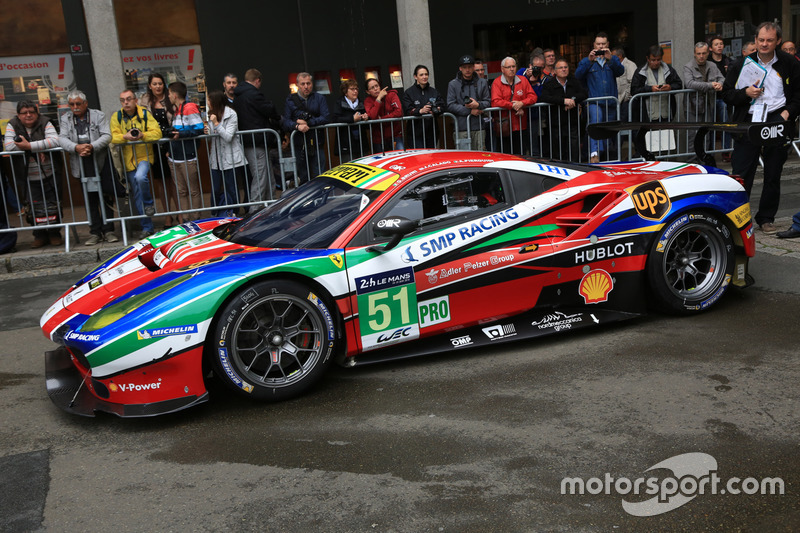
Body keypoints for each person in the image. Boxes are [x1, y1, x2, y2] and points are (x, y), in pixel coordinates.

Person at [722, 21, 800, 235]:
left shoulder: (789, 62)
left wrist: (787, 113)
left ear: (778, 41)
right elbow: (726, 94)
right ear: (755, 41)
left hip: (777, 117)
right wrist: (745, 93)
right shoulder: (741, 64)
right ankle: (739, 220)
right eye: (761, 40)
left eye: (769, 40)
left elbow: (798, 94)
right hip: (748, 120)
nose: (765, 44)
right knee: (741, 173)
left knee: (773, 172)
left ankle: (766, 218)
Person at [58, 90, 118, 245]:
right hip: (80, 162)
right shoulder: (66, 118)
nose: (75, 107)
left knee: (104, 195)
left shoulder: (98, 115)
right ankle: (95, 232)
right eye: (72, 104)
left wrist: (91, 146)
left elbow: (106, 135)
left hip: (99, 160)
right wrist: (76, 147)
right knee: (89, 198)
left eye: (78, 103)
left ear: (85, 103)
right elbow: (62, 138)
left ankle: (109, 230)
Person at [3, 101, 63, 247]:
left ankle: (55, 233)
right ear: (18, 115)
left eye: (31, 112)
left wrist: (29, 146)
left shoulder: (45, 121)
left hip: (50, 173)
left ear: (37, 113)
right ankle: (39, 235)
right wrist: (38, 148)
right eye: (24, 112)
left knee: (53, 204)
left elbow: (55, 141)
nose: (28, 115)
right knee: (33, 207)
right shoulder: (12, 124)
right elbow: (9, 146)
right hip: (27, 176)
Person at [110, 89, 162, 238]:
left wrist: (143, 135)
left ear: (135, 100)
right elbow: (113, 137)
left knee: (140, 178)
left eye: (128, 99)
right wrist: (125, 137)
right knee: (137, 194)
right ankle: (147, 228)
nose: (126, 102)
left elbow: (157, 133)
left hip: (144, 156)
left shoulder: (144, 114)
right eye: (123, 100)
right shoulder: (117, 116)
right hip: (127, 161)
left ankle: (149, 203)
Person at [233, 68, 281, 208]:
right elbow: (270, 109)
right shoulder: (253, 94)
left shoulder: (238, 95)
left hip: (249, 140)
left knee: (266, 176)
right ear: (258, 80)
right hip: (257, 140)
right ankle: (255, 210)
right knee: (261, 177)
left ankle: (269, 207)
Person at [575, 32, 624, 163]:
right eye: (598, 44)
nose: (601, 47)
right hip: (594, 102)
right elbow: (577, 76)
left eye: (603, 44)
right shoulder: (587, 61)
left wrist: (611, 58)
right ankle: (594, 154)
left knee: (609, 131)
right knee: (595, 125)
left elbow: (620, 71)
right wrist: (589, 61)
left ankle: (607, 157)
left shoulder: (612, 60)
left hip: (610, 103)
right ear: (594, 45)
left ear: (607, 45)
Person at [139, 73, 178, 227]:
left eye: (160, 83)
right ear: (150, 86)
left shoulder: (170, 98)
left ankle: (180, 214)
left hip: (171, 144)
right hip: (154, 146)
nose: (157, 86)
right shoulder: (145, 101)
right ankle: (168, 216)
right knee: (161, 183)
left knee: (174, 181)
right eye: (154, 84)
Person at [282, 72, 331, 184]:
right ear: (297, 85)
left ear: (312, 84)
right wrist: (297, 126)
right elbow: (285, 121)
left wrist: (309, 122)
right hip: (299, 144)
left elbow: (326, 117)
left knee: (320, 175)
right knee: (303, 177)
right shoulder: (290, 100)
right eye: (303, 84)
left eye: (308, 83)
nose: (306, 86)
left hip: (317, 142)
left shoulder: (319, 98)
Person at [167, 81, 204, 218]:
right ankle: (186, 220)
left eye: (169, 93)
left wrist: (181, 134)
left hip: (188, 157)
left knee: (193, 190)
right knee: (181, 191)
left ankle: (196, 219)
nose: (168, 96)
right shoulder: (177, 110)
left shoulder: (189, 108)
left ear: (175, 95)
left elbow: (199, 129)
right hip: (174, 157)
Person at [205, 90, 245, 217]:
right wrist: (207, 131)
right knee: (215, 188)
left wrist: (216, 124)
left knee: (231, 187)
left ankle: (234, 212)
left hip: (230, 157)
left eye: (209, 100)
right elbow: (213, 136)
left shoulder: (231, 114)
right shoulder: (211, 114)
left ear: (215, 102)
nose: (207, 103)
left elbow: (228, 136)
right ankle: (215, 213)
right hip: (216, 157)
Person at [539, 58, 588, 161]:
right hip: (556, 123)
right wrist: (563, 101)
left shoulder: (573, 81)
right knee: (558, 151)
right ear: (555, 71)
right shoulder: (549, 84)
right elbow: (544, 97)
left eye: (565, 67)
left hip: (572, 121)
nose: (564, 69)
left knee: (574, 149)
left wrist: (572, 100)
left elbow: (584, 93)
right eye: (560, 68)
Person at [491, 56, 537, 155]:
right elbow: (495, 101)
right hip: (504, 127)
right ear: (502, 69)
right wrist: (513, 106)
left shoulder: (523, 80)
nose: (512, 69)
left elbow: (533, 97)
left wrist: (522, 103)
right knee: (505, 155)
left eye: (513, 66)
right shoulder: (497, 82)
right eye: (508, 67)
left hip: (520, 126)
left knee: (521, 154)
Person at [447, 54, 491, 150]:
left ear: (473, 67)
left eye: (470, 67)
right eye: (464, 67)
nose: (467, 70)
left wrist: (478, 105)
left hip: (479, 127)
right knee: (464, 158)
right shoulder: (453, 84)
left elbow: (488, 101)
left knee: (480, 157)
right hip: (462, 128)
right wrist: (469, 111)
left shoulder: (482, 82)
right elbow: (450, 105)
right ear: (460, 68)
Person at [631, 44, 683, 123]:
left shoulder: (668, 69)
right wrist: (650, 89)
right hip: (647, 115)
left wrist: (670, 87)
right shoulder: (640, 72)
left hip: (666, 114)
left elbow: (679, 84)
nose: (656, 62)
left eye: (658, 60)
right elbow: (634, 90)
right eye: (653, 60)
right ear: (647, 59)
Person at [402, 65, 444, 149]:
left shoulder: (433, 91)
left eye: (426, 74)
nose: (424, 77)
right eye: (421, 75)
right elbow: (407, 110)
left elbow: (442, 105)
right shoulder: (409, 92)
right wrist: (420, 111)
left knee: (431, 157)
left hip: (431, 132)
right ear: (415, 76)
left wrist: (438, 110)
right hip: (415, 133)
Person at [683, 42, 724, 123]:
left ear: (708, 53)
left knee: (707, 132)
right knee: (694, 133)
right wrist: (710, 85)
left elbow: (722, 78)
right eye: (698, 54)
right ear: (694, 54)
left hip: (708, 104)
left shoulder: (712, 65)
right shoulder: (688, 67)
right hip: (693, 106)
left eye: (704, 53)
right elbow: (689, 83)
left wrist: (720, 84)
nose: (701, 56)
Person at [332, 78, 369, 163]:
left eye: (356, 89)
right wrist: (351, 119)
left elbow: (367, 123)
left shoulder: (361, 103)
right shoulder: (339, 103)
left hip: (360, 142)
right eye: (352, 89)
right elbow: (335, 119)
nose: (355, 91)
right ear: (345, 91)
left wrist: (366, 117)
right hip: (346, 143)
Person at [365, 77, 404, 153]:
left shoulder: (391, 95)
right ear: (368, 92)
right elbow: (372, 116)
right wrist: (379, 98)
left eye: (377, 86)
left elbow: (399, 112)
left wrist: (382, 118)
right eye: (372, 88)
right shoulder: (368, 101)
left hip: (395, 135)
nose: (376, 89)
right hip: (379, 138)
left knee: (400, 157)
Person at [709, 36, 732, 155]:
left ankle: (726, 151)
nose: (719, 46)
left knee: (725, 124)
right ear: (710, 48)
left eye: (721, 44)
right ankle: (711, 152)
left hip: (723, 97)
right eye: (716, 44)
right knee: (711, 125)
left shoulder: (728, 61)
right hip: (711, 97)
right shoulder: (708, 62)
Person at [612, 47, 637, 122]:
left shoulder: (630, 65)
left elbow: (632, 82)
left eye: (612, 56)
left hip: (626, 100)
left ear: (619, 56)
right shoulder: (614, 65)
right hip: (618, 100)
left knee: (625, 122)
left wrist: (626, 97)